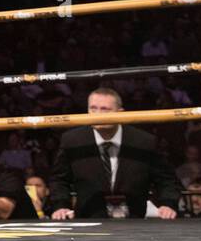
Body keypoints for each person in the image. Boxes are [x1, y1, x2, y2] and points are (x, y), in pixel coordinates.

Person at [47, 88, 180, 220]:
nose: (97, 114)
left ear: (120, 113)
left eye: (104, 109)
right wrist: (61, 206)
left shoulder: (143, 141)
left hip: (135, 221)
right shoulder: (73, 140)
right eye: (93, 108)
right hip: (88, 219)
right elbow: (59, 179)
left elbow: (166, 179)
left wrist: (168, 204)